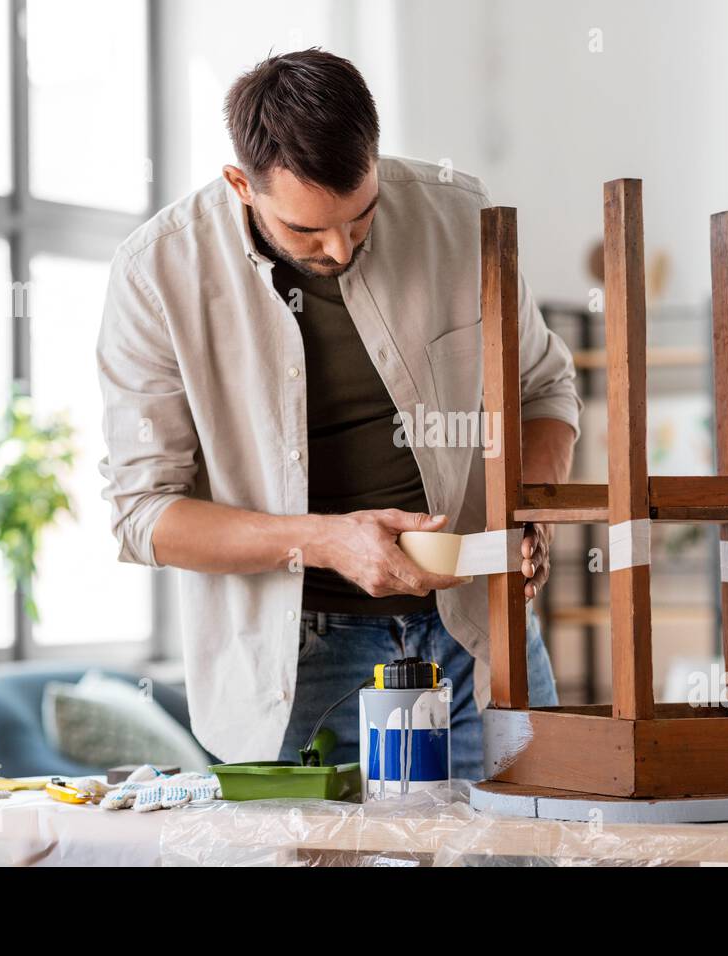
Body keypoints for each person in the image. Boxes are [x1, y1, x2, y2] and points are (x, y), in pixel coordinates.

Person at [96, 48, 580, 781]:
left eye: (362, 217)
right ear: (240, 184)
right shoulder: (156, 274)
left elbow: (545, 392)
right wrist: (327, 542)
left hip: (480, 632)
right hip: (293, 658)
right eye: (307, 232)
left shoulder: (459, 215)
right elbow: (142, 514)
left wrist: (530, 512)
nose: (342, 248)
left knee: (536, 857)